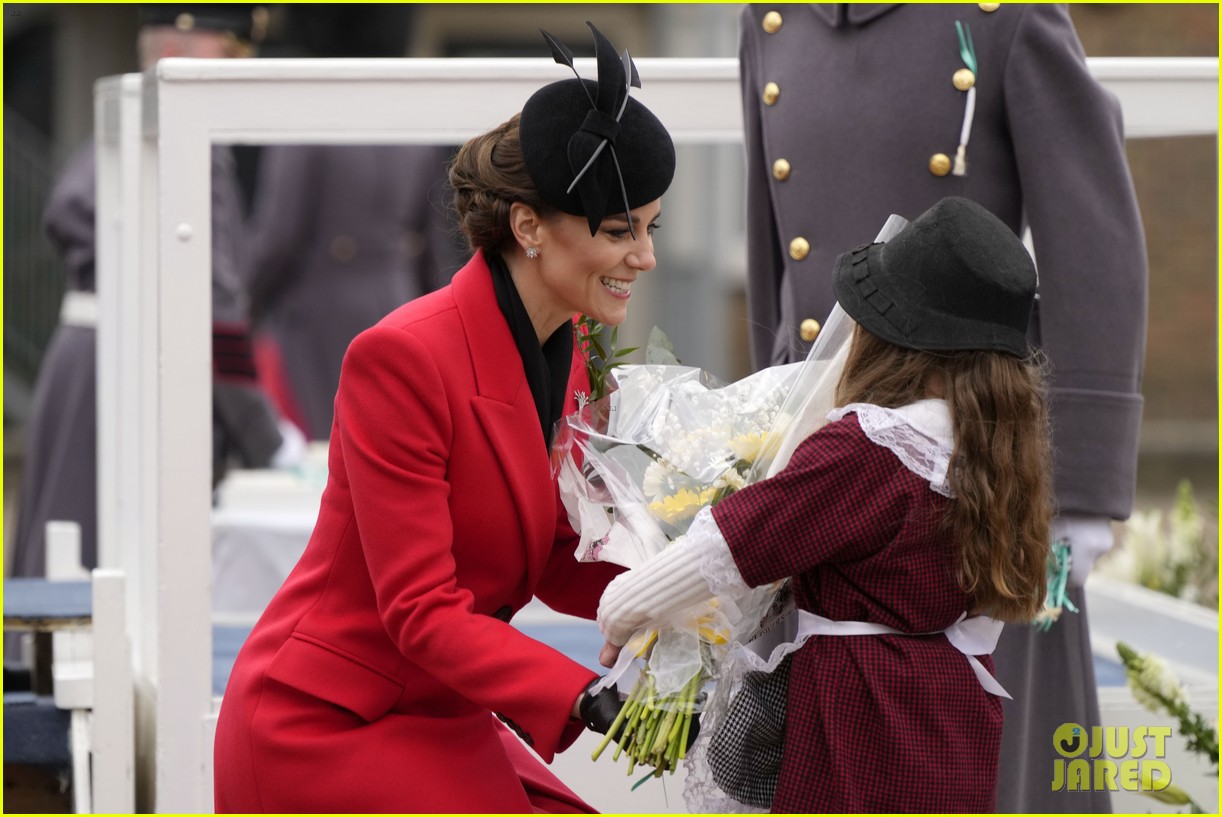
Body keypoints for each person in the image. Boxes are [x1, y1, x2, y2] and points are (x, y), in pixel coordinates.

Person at [212, 22, 675, 812]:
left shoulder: (568, 345)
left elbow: (558, 550)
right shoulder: (401, 358)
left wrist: (687, 589)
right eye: (617, 230)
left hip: (443, 711)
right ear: (529, 228)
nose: (646, 256)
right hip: (327, 724)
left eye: (651, 228)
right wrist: (590, 698)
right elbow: (421, 610)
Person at [737, 5, 1146, 811]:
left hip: (970, 472)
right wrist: (758, 434)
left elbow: (1090, 239)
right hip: (823, 460)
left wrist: (1084, 489)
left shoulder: (1005, 18)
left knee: (990, 770)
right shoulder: (771, 19)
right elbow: (772, 261)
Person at [597, 196, 1053, 813]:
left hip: (859, 714)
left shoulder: (874, 446)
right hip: (951, 715)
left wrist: (623, 609)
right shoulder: (993, 450)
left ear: (891, 338)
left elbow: (734, 541)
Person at [10, 5, 297, 589]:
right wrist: (266, 439)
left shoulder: (120, 133)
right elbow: (212, 319)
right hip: (131, 374)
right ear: (181, 54)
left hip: (90, 361)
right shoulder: (186, 143)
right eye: (232, 56)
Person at [242, 144, 464, 440]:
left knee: (326, 450)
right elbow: (433, 247)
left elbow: (278, 239)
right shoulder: (414, 137)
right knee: (391, 438)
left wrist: (244, 305)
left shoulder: (304, 132)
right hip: (400, 299)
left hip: (320, 314)